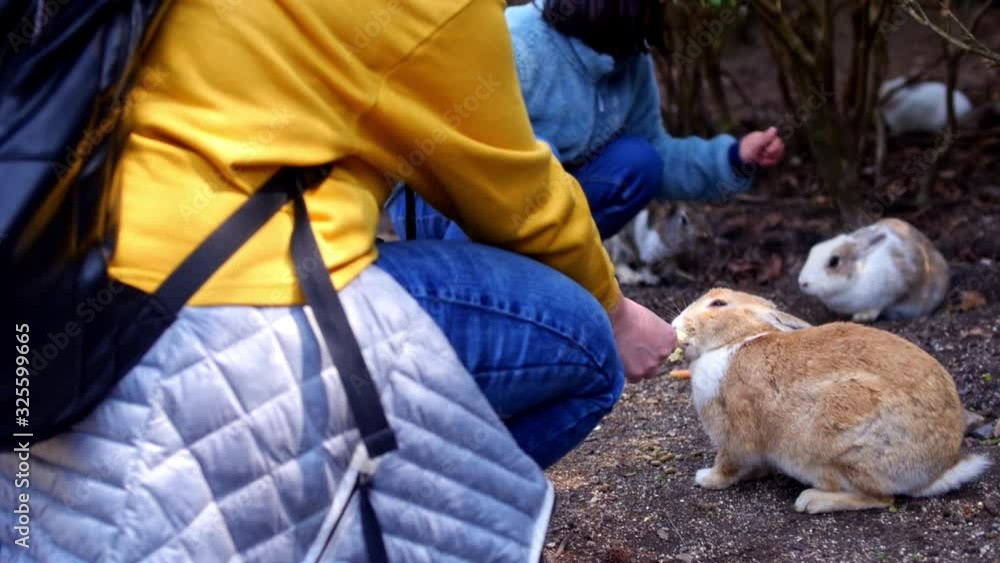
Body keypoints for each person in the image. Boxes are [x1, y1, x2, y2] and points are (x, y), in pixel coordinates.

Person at [0, 1, 676, 560]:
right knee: (586, 344)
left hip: (63, 279)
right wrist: (615, 311)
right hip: (237, 295)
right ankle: (358, 517)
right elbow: (519, 195)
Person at [386, 0, 785, 241]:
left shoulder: (629, 60)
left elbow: (658, 155)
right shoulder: (518, 43)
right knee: (539, 159)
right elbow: (455, 159)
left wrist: (733, 158)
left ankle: (552, 270)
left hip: (532, 200)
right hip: (437, 205)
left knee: (637, 162)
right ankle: (476, 281)